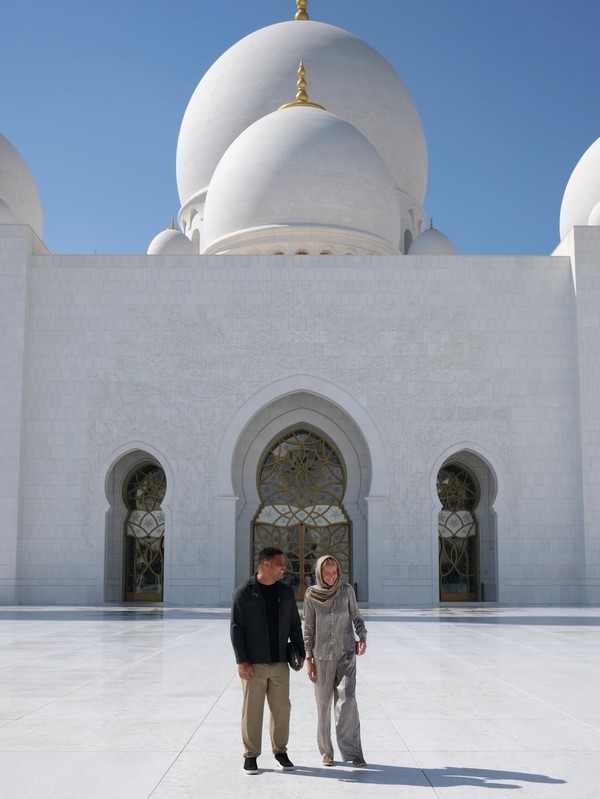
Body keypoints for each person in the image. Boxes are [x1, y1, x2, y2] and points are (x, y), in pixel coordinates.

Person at [230, 546, 305, 775]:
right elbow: (236, 628)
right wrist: (242, 660)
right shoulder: (244, 593)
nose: (284, 568)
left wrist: (300, 653)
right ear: (266, 564)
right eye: (280, 563)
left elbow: (295, 625)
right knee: (252, 710)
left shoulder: (286, 592)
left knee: (282, 709)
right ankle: (251, 755)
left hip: (280, 661)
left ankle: (280, 752)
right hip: (254, 663)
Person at [303, 554, 367, 768]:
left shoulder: (346, 590)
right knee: (323, 706)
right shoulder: (311, 595)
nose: (331, 577)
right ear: (319, 574)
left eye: (334, 572)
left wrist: (362, 636)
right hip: (321, 657)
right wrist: (308, 659)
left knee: (347, 700)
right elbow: (308, 628)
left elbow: (356, 617)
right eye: (327, 573)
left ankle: (353, 752)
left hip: (346, 654)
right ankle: (326, 752)